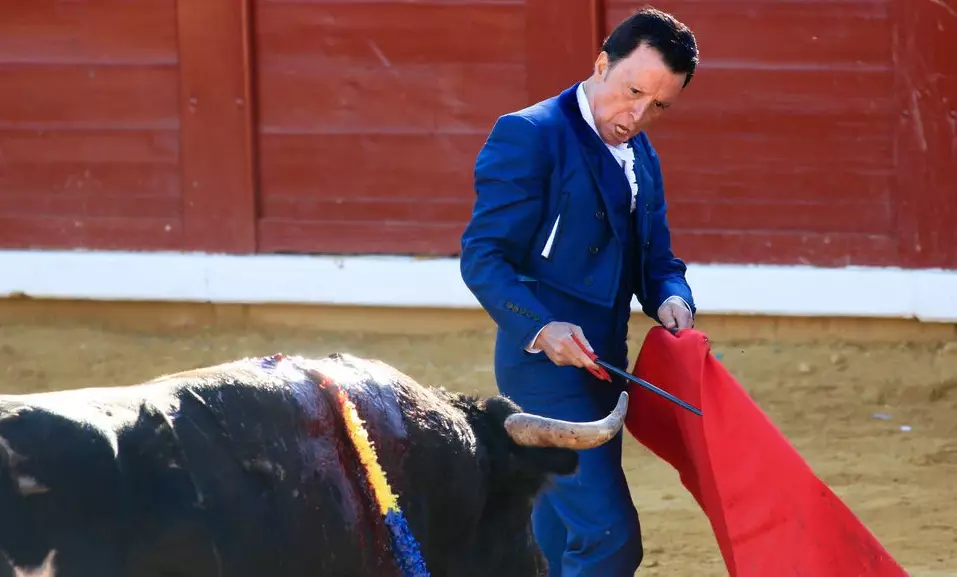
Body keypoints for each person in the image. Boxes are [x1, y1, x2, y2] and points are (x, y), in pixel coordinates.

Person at [458, 7, 699, 577]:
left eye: (659, 105)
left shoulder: (641, 154)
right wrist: (541, 326)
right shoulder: (530, 133)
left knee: (554, 536)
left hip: (605, 368)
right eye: (632, 91)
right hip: (544, 372)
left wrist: (672, 298)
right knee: (608, 535)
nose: (637, 115)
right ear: (600, 65)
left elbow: (658, 259)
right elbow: (483, 256)